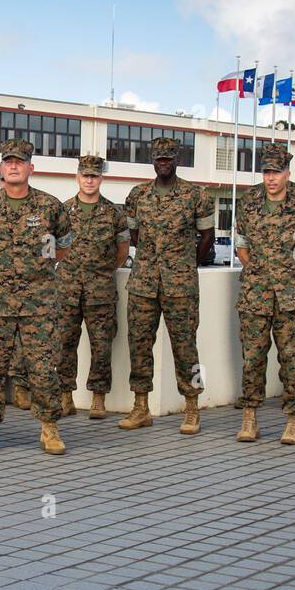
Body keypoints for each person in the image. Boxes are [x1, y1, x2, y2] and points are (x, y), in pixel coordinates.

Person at [0, 137, 72, 454]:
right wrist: (1, 274)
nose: (13, 166)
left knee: (43, 368)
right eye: (8, 161)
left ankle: (49, 428)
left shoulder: (50, 206)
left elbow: (63, 246)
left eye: (20, 162)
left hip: (39, 304)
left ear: (30, 168)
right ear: (0, 168)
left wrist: (38, 266)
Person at [119, 137, 214, 435]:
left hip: (181, 285)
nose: (163, 163)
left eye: (168, 158)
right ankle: (140, 406)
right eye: (159, 159)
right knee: (139, 345)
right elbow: (133, 237)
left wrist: (184, 263)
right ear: (152, 161)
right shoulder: (137, 195)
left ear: (177, 160)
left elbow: (207, 237)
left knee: (187, 348)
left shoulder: (196, 195)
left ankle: (192, 408)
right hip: (144, 283)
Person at [233, 144, 295, 445]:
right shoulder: (250, 200)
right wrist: (259, 271)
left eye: (276, 172)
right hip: (255, 294)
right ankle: (250, 417)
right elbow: (241, 244)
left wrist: (289, 276)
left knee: (293, 359)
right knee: (252, 358)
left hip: (292, 296)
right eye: (266, 172)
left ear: (287, 173)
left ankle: (293, 420)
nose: (270, 178)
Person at [59, 155, 130, 419]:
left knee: (101, 345)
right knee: (64, 343)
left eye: (94, 176)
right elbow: (50, 247)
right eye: (85, 175)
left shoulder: (114, 213)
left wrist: (104, 271)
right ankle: (65, 396)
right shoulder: (62, 211)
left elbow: (122, 251)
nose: (89, 180)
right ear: (77, 177)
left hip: (100, 291)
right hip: (66, 289)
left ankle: (98, 398)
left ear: (101, 178)